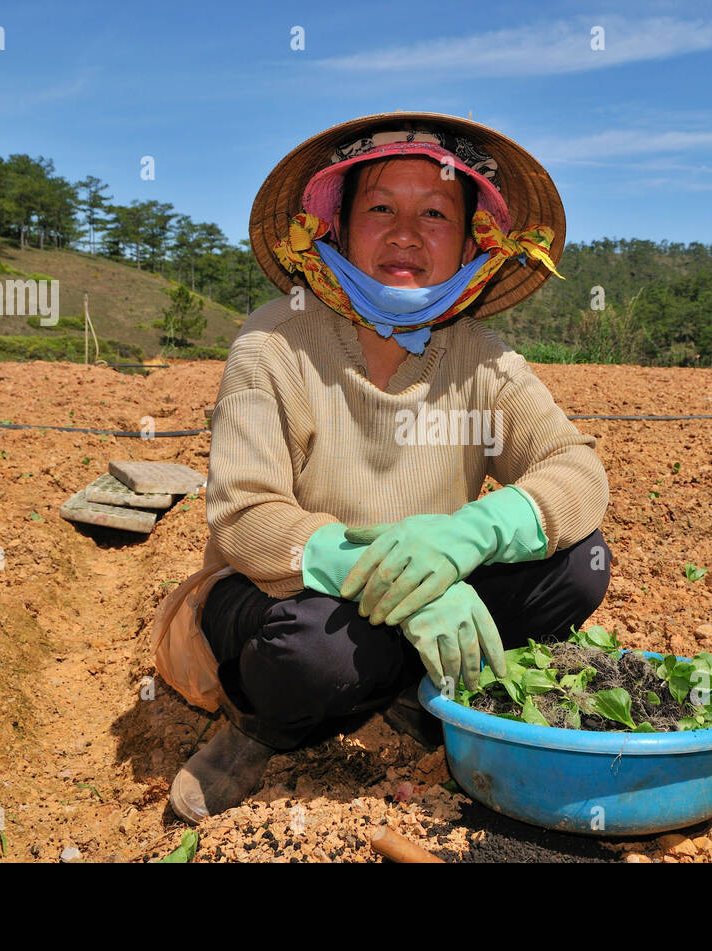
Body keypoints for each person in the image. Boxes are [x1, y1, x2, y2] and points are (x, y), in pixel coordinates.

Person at [150, 112, 612, 824]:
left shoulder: (479, 357)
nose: (405, 233)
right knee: (314, 653)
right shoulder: (274, 342)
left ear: (469, 240)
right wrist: (403, 583)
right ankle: (267, 727)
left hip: (423, 586)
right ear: (334, 227)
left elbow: (576, 470)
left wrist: (472, 534)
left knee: (579, 564)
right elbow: (246, 520)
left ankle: (401, 690)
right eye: (380, 208)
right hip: (292, 596)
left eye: (434, 212)